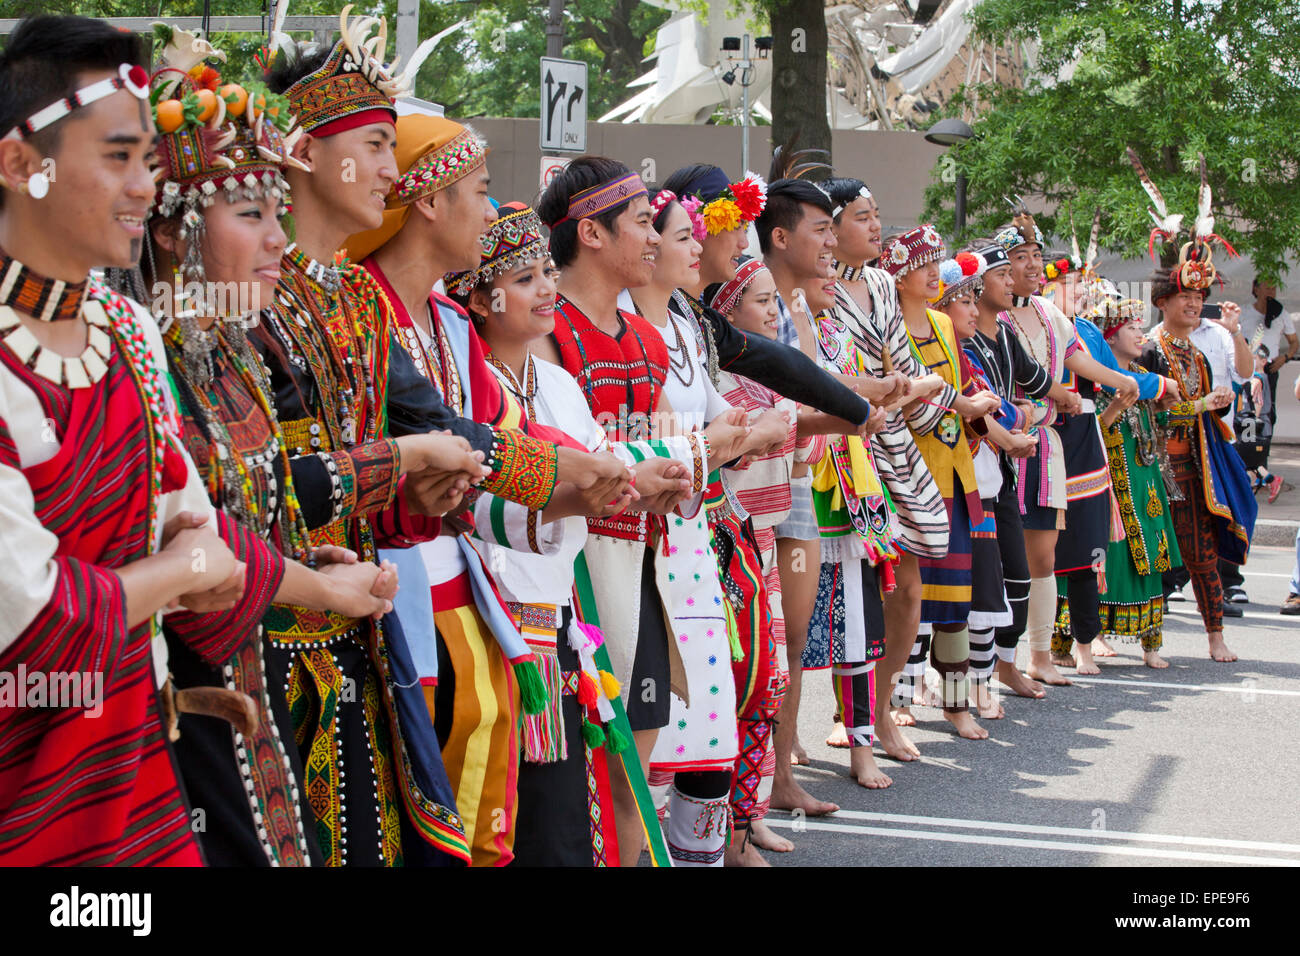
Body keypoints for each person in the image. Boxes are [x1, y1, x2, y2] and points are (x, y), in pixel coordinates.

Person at [138, 31, 483, 866]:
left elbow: (281, 502)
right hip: (228, 672)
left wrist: (426, 487)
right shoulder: (175, 345)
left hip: (334, 635)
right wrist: (399, 466)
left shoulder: (304, 318)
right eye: (373, 144)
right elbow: (210, 538)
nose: (271, 239)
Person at [260, 11, 596, 865]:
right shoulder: (254, 300)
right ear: (308, 155)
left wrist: (585, 480)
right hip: (274, 629)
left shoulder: (350, 300)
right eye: (373, 145)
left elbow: (450, 430)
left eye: (390, 146)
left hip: (364, 631)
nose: (388, 169)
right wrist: (406, 468)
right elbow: (258, 481)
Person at [0, 14, 268, 865]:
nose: (146, 186)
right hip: (24, 790)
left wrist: (193, 570)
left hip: (134, 772)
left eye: (148, 160)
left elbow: (188, 520)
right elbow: (36, 618)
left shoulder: (124, 327)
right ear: (19, 164)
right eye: (117, 157)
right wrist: (181, 571)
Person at [342, 114, 636, 865]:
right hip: (381, 592)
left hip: (464, 595)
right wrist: (588, 474)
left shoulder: (445, 319)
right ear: (432, 203)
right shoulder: (356, 305)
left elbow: (507, 439)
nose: (490, 205)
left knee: (482, 815)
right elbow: (479, 445)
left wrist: (609, 473)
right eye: (477, 190)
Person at [451, 201, 695, 866]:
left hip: (557, 633)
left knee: (560, 826)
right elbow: (474, 503)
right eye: (526, 279)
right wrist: (600, 487)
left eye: (546, 274)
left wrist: (656, 479)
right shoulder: (464, 393)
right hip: (491, 632)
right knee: (504, 823)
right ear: (478, 297)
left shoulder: (557, 383)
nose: (547, 289)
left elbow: (600, 463)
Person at [534, 156, 752, 865]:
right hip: (572, 575)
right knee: (587, 774)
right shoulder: (546, 335)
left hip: (645, 566)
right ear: (590, 234)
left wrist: (682, 460)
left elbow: (653, 471)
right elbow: (587, 467)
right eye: (639, 222)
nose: (656, 239)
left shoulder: (649, 341)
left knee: (633, 768)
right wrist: (691, 453)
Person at [993, 206, 1139, 687]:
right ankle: (977, 668)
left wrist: (1122, 380)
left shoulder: (1047, 311)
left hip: (1044, 451)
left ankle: (1035, 657)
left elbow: (1074, 355)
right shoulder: (988, 317)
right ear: (998, 266)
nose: (1034, 265)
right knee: (991, 560)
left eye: (1037, 255)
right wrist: (1059, 398)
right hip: (998, 446)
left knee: (1041, 558)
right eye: (1020, 256)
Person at [1129, 147, 1258, 661]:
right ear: (1163, 300)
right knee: (1156, 559)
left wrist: (1214, 405)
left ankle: (1215, 636)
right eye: (1185, 297)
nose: (1193, 304)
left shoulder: (1199, 354)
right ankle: (1146, 643)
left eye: (1199, 299)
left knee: (1203, 556)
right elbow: (1159, 410)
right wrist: (1203, 403)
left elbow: (1212, 410)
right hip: (1154, 468)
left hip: (1194, 466)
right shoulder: (1147, 350)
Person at [882, 225, 1002, 740]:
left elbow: (956, 393)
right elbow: (904, 401)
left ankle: (956, 705)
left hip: (953, 474)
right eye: (925, 266)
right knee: (898, 595)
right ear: (900, 276)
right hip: (906, 475)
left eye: (936, 263)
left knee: (954, 598)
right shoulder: (885, 325)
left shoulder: (940, 323)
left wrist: (979, 417)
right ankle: (884, 703)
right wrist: (961, 409)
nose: (936, 273)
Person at [937, 253, 1038, 715]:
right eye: (964, 300)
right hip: (932, 485)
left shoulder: (965, 353)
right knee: (920, 604)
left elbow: (986, 413)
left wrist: (1012, 429)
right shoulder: (933, 351)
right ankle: (905, 696)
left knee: (978, 592)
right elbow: (974, 411)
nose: (974, 310)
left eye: (975, 300)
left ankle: (973, 689)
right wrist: (1011, 433)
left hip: (978, 483)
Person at [1055, 299, 1182, 668]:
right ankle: (1078, 638)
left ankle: (1151, 644)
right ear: (1109, 339)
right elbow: (1099, 430)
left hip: (1144, 484)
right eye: (1131, 328)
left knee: (1149, 557)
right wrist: (1120, 404)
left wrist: (1203, 403)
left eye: (1141, 327)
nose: (1141, 334)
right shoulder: (1108, 385)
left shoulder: (1140, 379)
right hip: (1110, 481)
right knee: (1100, 559)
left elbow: (1168, 420)